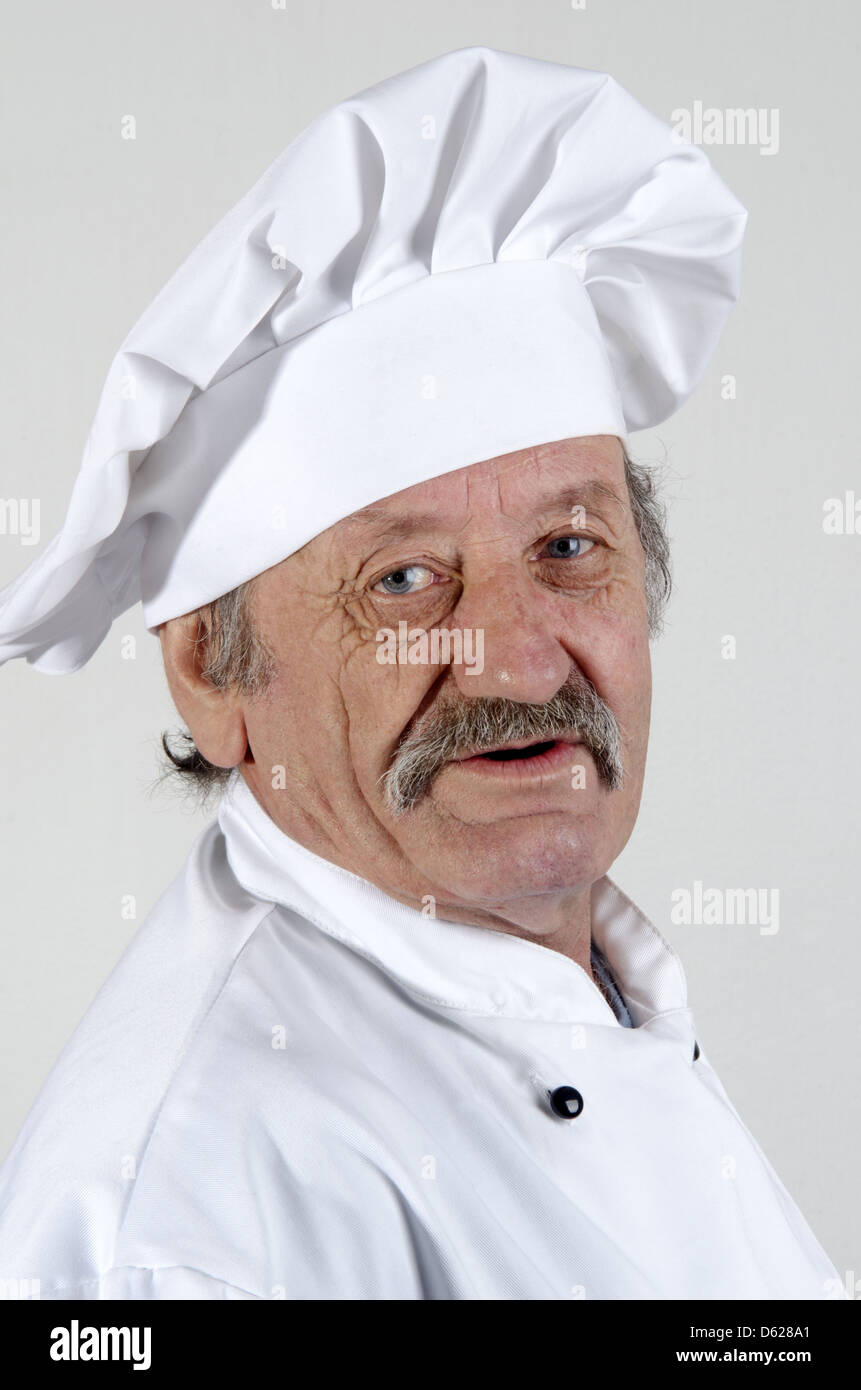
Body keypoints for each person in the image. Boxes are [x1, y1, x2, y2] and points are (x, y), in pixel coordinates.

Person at [0, 45, 842, 1300]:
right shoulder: (193, 1234)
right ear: (210, 674)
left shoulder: (593, 991)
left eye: (569, 548)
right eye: (405, 581)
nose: (516, 654)